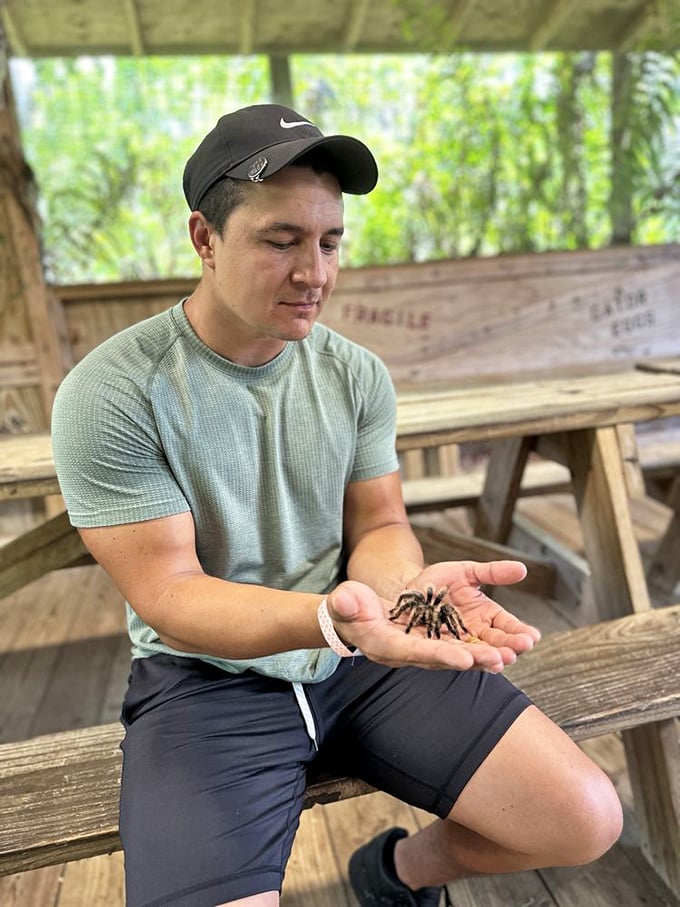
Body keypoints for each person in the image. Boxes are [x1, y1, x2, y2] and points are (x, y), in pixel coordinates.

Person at [51, 103, 623, 907]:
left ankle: (391, 874)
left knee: (585, 818)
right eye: (281, 240)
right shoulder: (111, 393)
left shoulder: (355, 374)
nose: (314, 271)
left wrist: (394, 599)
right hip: (208, 680)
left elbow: (381, 524)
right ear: (204, 239)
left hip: (363, 657)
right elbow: (169, 596)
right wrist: (331, 616)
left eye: (329, 242)